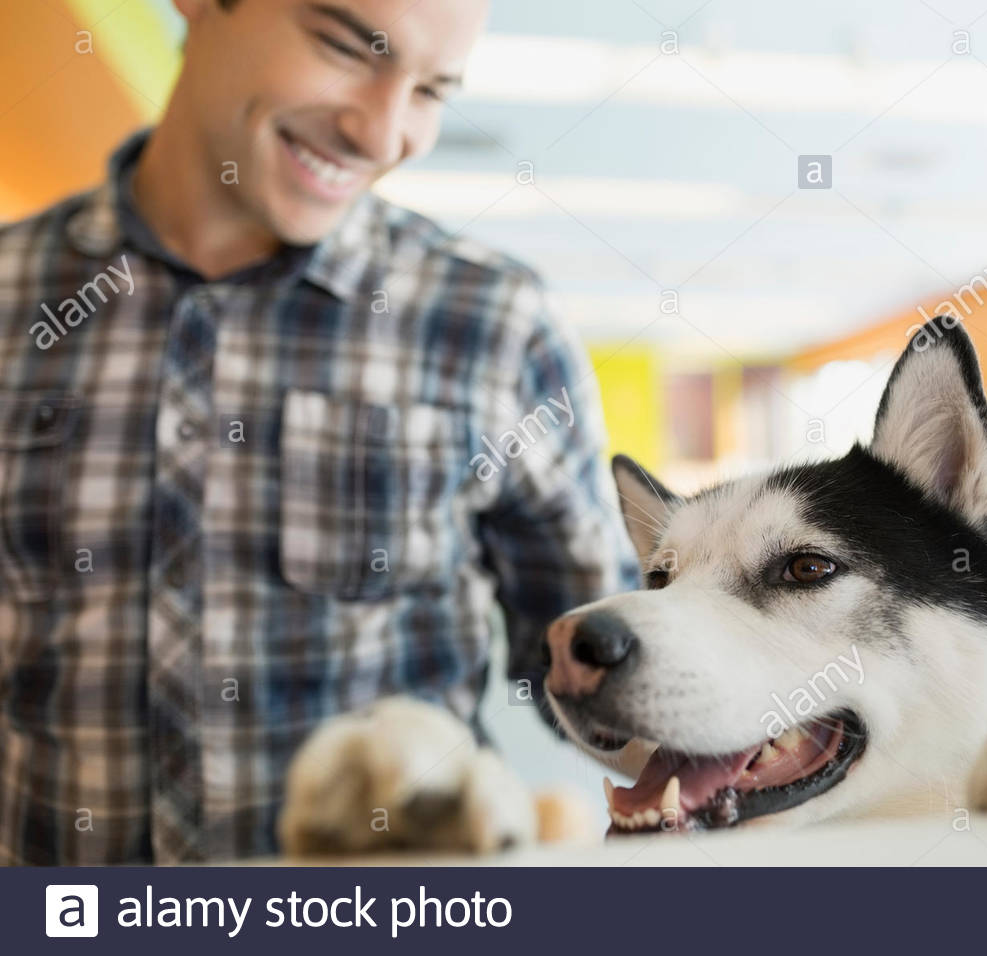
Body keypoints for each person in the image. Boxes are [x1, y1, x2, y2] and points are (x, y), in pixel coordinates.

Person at [0, 0, 636, 864]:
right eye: (344, 45)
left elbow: (619, 690)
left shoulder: (492, 323)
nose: (382, 134)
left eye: (430, 90)